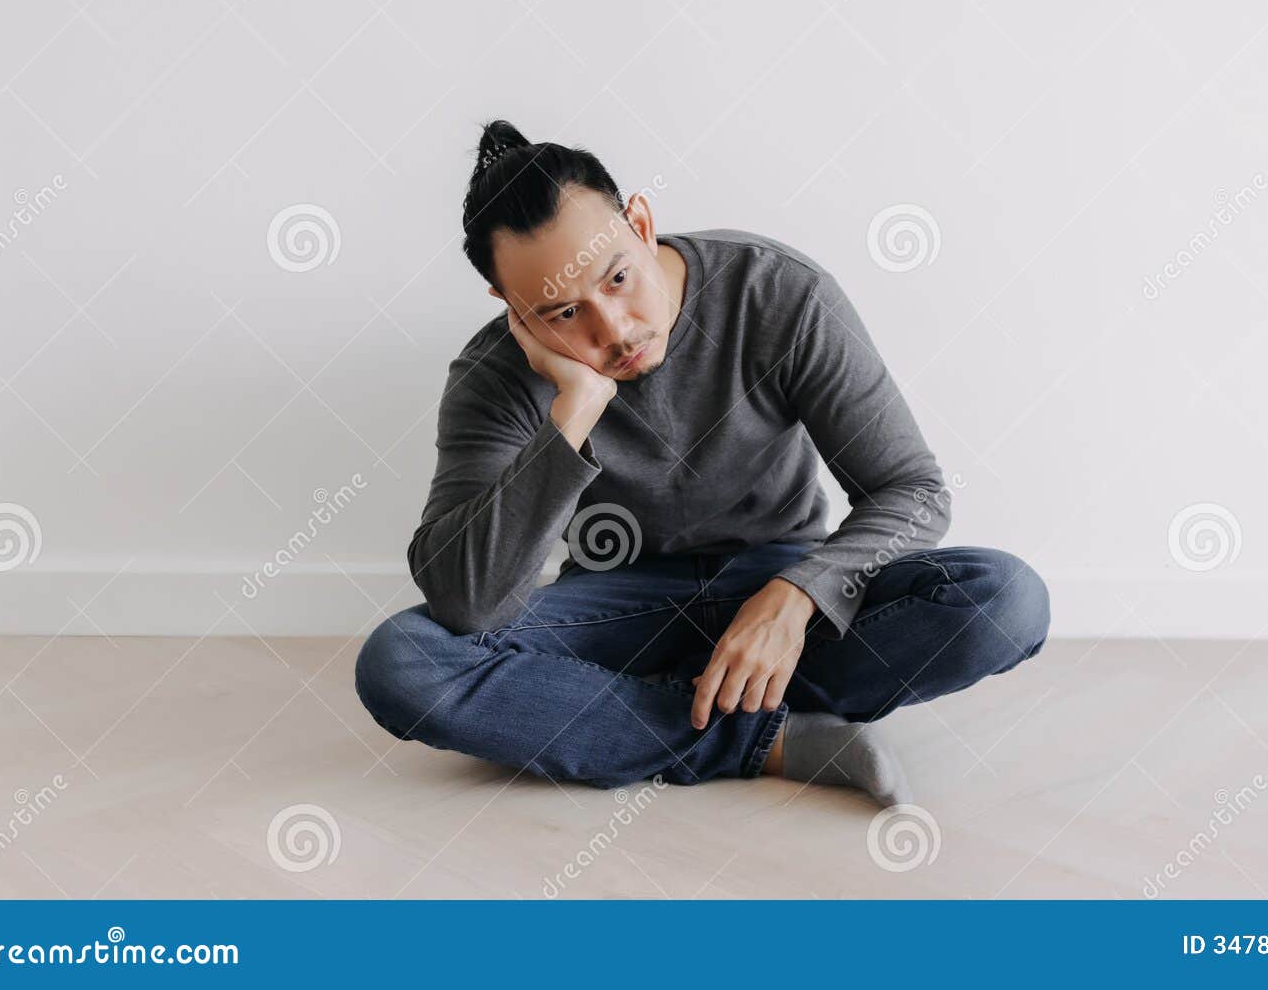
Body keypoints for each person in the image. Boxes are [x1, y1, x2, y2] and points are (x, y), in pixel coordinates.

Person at [354, 120, 1050, 807]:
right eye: (562, 312)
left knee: (1007, 599)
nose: (613, 328)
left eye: (618, 276)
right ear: (511, 308)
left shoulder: (776, 292)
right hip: (616, 607)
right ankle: (764, 738)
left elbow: (912, 490)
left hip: (779, 572)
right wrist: (573, 409)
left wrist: (799, 595)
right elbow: (468, 602)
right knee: (401, 662)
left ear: (642, 222)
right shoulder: (494, 377)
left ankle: (642, 713)